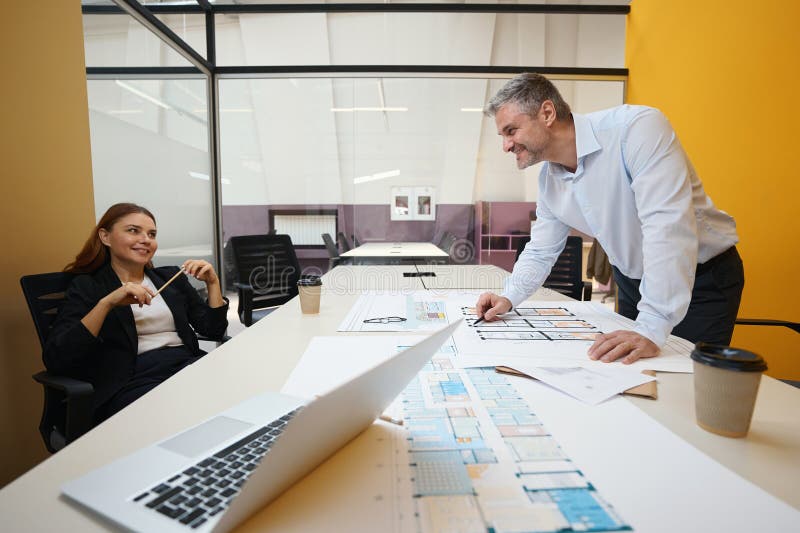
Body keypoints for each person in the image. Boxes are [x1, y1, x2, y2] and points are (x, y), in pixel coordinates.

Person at [476, 73, 743, 364]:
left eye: (511, 131)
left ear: (547, 113)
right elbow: (541, 250)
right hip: (631, 282)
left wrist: (652, 327)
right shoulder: (549, 180)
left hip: (702, 280)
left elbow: (667, 229)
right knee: (629, 374)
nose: (506, 145)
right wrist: (509, 296)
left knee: (681, 384)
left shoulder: (636, 129)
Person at [44, 203, 229, 422]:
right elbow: (58, 358)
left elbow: (214, 329)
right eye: (133, 230)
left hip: (185, 365)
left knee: (241, 391)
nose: (146, 239)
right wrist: (107, 303)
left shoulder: (170, 278)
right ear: (105, 236)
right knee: (190, 414)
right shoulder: (88, 287)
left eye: (151, 234)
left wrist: (213, 283)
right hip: (132, 380)